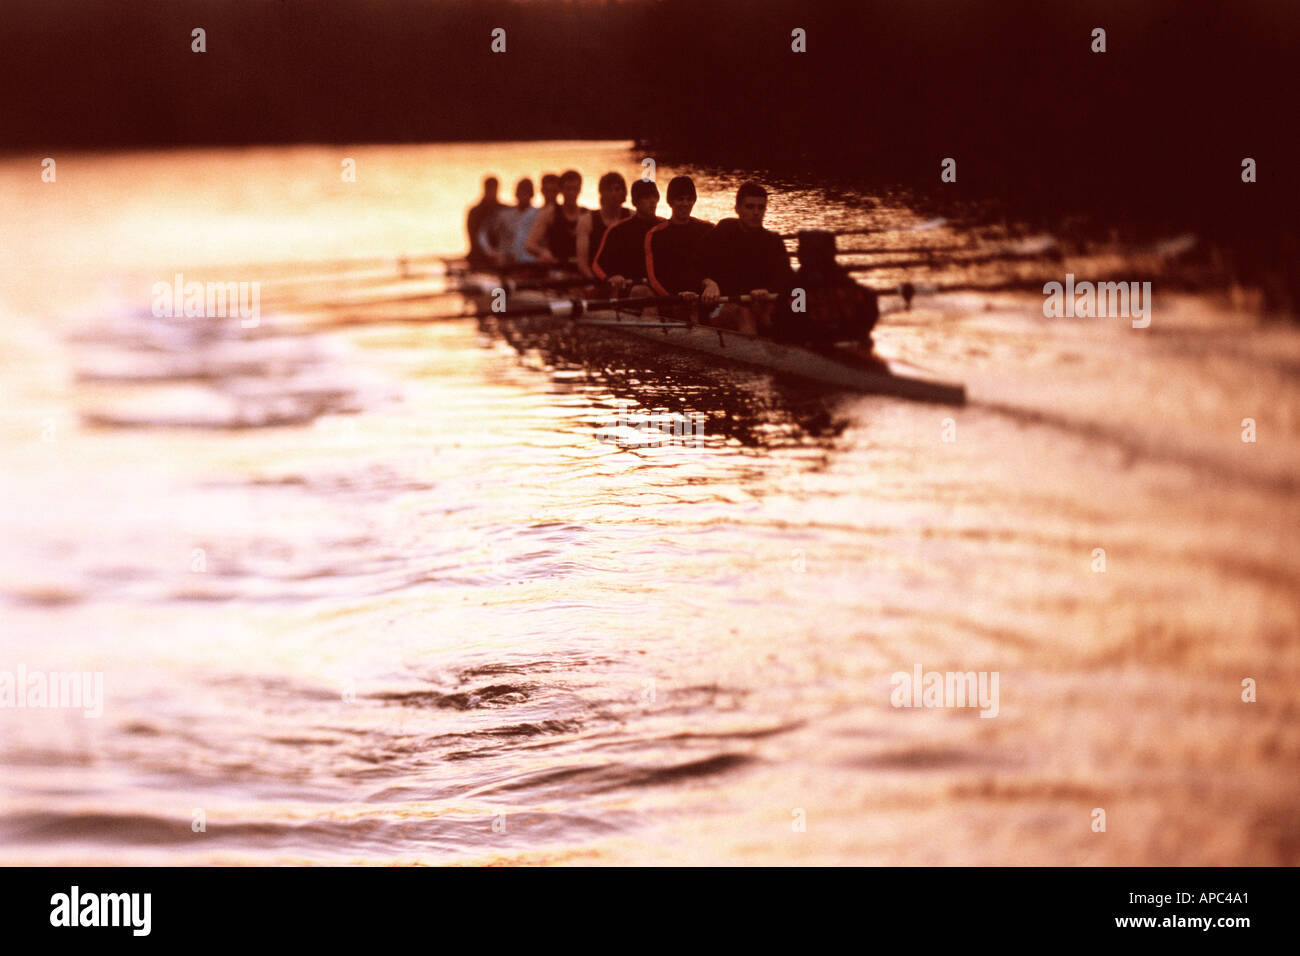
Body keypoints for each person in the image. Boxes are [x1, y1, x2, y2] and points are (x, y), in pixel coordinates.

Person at [699, 181, 794, 334]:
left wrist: (768, 290)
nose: (756, 212)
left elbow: (786, 277)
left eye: (761, 207)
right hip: (720, 307)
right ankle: (757, 353)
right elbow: (695, 266)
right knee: (744, 313)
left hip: (758, 303)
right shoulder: (721, 233)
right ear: (737, 209)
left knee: (788, 310)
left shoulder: (773, 240)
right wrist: (709, 283)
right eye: (749, 207)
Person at [784, 230, 881, 362]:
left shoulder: (798, 291)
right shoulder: (847, 283)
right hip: (850, 344)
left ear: (802, 255)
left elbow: (791, 325)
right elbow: (870, 304)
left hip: (817, 351)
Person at [592, 178, 665, 296]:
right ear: (635, 202)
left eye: (655, 197)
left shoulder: (665, 227)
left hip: (661, 287)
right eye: (646, 198)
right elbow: (597, 265)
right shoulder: (617, 230)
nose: (652, 201)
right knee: (643, 292)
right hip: (629, 288)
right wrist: (610, 277)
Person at [645, 175, 714, 298]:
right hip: (670, 299)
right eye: (680, 199)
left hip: (703, 298)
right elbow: (653, 278)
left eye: (689, 199)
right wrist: (675, 298)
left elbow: (714, 267)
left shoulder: (708, 229)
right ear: (670, 202)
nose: (685, 204)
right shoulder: (655, 234)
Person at [576, 172, 632, 278]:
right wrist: (597, 281)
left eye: (617, 189)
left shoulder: (632, 216)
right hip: (595, 280)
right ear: (602, 193)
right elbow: (582, 264)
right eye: (609, 190)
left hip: (625, 280)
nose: (613, 194)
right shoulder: (586, 221)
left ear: (624, 193)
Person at [525, 169, 585, 265]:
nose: (571, 193)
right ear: (561, 190)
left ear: (580, 190)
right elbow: (530, 244)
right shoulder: (550, 213)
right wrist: (542, 252)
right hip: (556, 268)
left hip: (579, 268)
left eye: (575, 189)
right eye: (568, 189)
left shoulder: (586, 214)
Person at [477, 177, 538, 267]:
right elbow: (483, 234)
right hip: (506, 262)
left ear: (531, 195)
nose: (523, 197)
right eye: (520, 193)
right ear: (516, 194)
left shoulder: (538, 215)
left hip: (529, 262)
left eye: (526, 193)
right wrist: (490, 252)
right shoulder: (504, 215)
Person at [465, 177, 502, 269]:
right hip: (479, 255)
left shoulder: (503, 209)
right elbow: (473, 237)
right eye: (490, 188)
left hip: (499, 254)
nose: (492, 191)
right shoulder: (475, 212)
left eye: (494, 188)